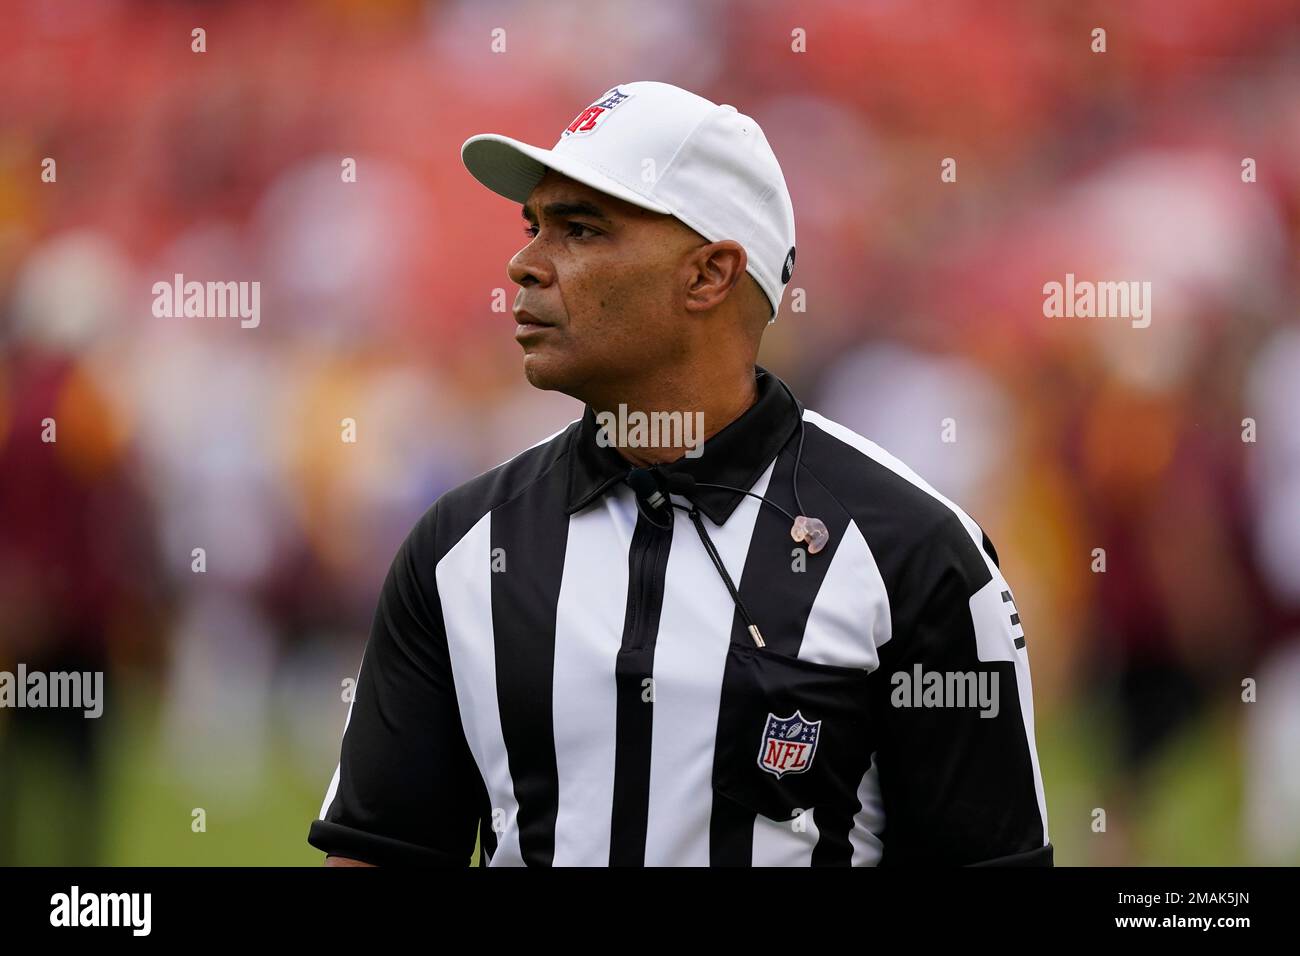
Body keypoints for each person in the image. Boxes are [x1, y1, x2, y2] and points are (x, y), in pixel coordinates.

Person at [308, 81, 1051, 866]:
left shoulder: (916, 554)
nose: (524, 263)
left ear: (709, 274)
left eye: (581, 230)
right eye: (534, 226)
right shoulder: (459, 548)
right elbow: (381, 849)